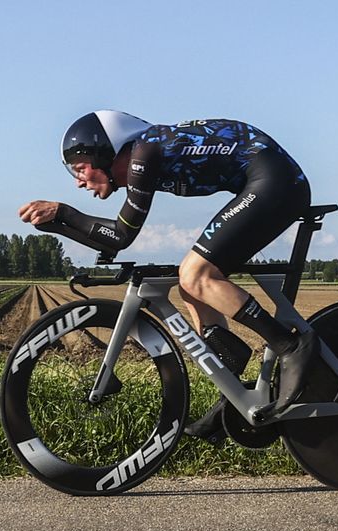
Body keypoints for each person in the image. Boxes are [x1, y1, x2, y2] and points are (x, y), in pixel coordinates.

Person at [18, 110, 318, 440]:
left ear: (104, 153)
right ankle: (234, 397)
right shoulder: (144, 152)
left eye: (80, 168)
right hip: (263, 180)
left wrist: (63, 212)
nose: (78, 181)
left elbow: (121, 235)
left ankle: (291, 346)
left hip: (276, 181)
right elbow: (113, 240)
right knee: (192, 288)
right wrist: (58, 226)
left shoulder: (144, 153)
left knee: (195, 274)